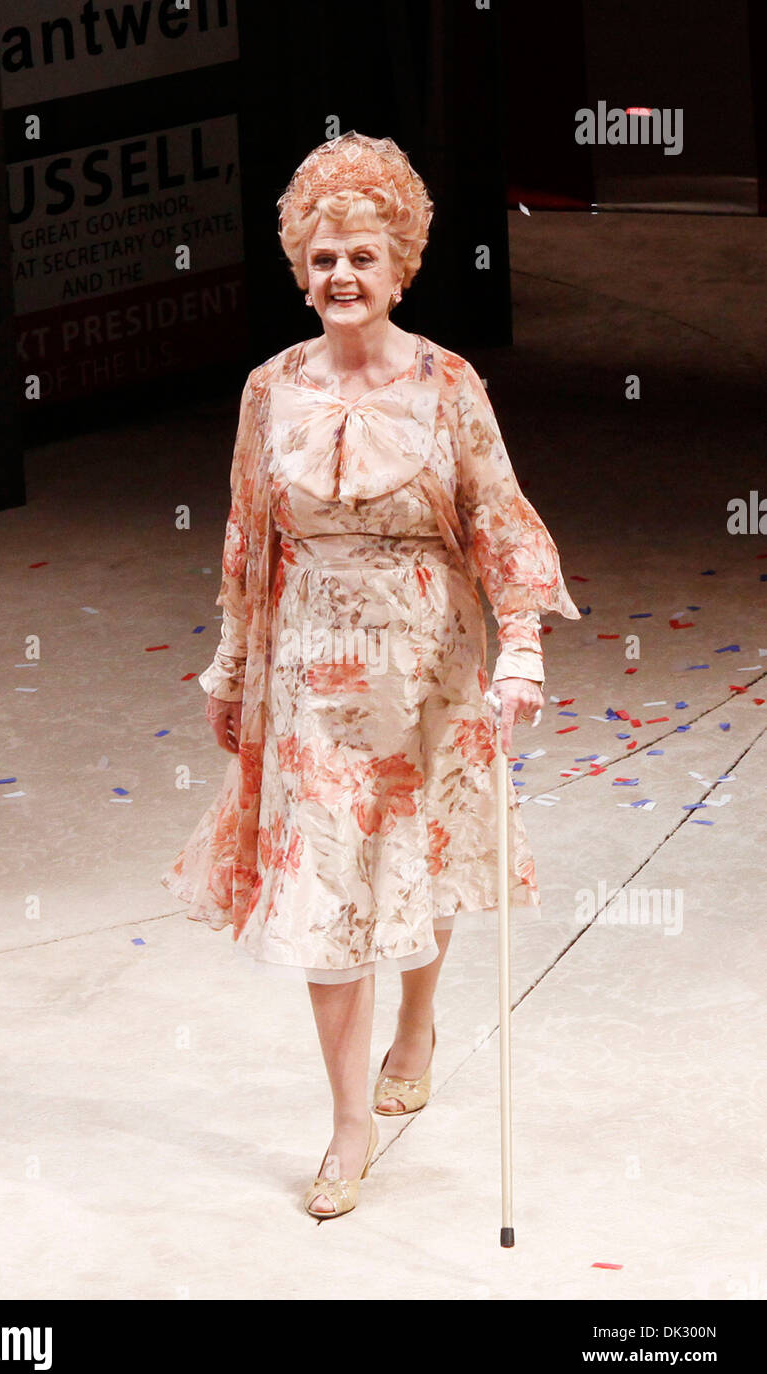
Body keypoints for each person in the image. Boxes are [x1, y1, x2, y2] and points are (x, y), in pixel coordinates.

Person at [161, 132, 581, 1219]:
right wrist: (229, 669)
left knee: (421, 855)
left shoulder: (446, 382)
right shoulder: (269, 391)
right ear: (299, 270)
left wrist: (523, 643)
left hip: (430, 664)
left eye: (360, 256)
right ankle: (347, 1127)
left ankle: (417, 1021)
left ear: (399, 267)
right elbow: (247, 541)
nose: (340, 276)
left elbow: (497, 515)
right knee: (321, 889)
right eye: (322, 258)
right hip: (310, 677)